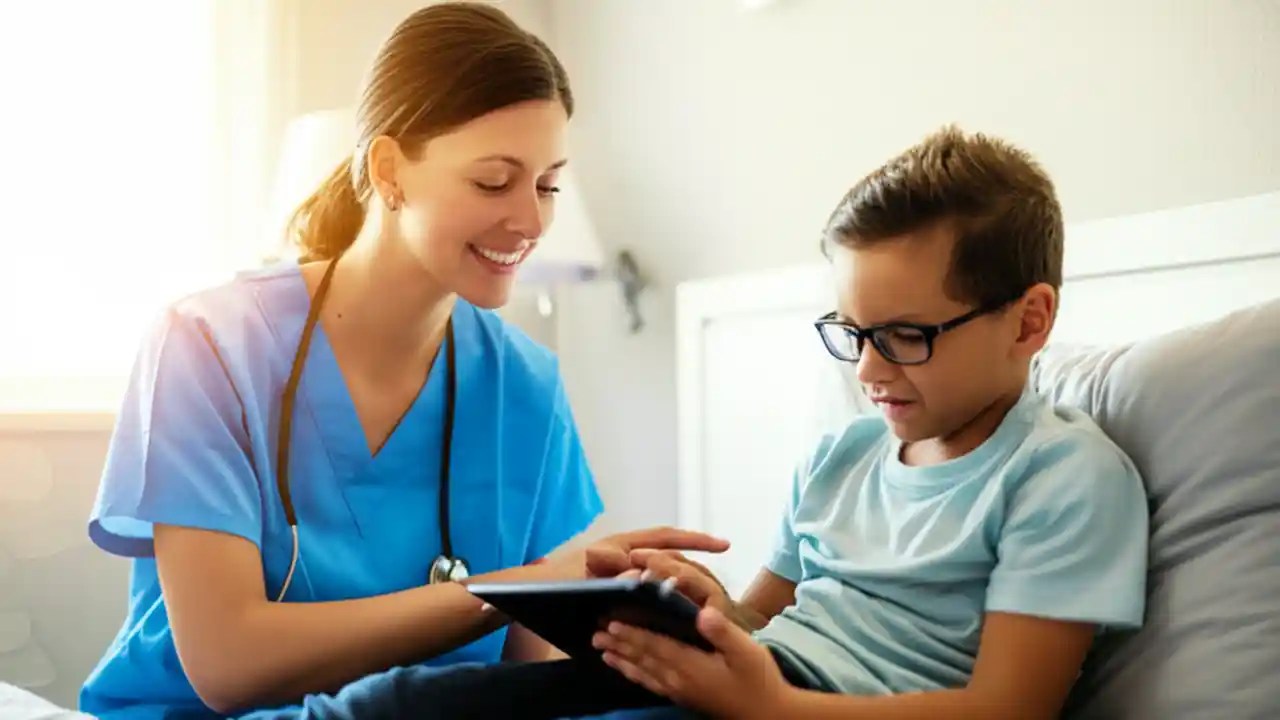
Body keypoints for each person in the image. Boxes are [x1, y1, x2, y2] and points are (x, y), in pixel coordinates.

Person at [356, 126, 1152, 720]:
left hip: (806, 710)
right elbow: (759, 621)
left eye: (906, 338)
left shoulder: (1060, 476)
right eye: (853, 334)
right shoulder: (845, 457)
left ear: (1028, 321)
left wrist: (772, 707)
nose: (869, 372)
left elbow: (1008, 710)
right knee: (396, 701)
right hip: (751, 690)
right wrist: (698, 603)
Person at [77, 4, 727, 718]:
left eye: (547, 185)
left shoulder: (525, 385)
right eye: (493, 181)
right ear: (389, 171)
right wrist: (506, 590)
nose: (533, 221)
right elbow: (228, 666)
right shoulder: (207, 345)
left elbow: (520, 683)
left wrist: (627, 617)